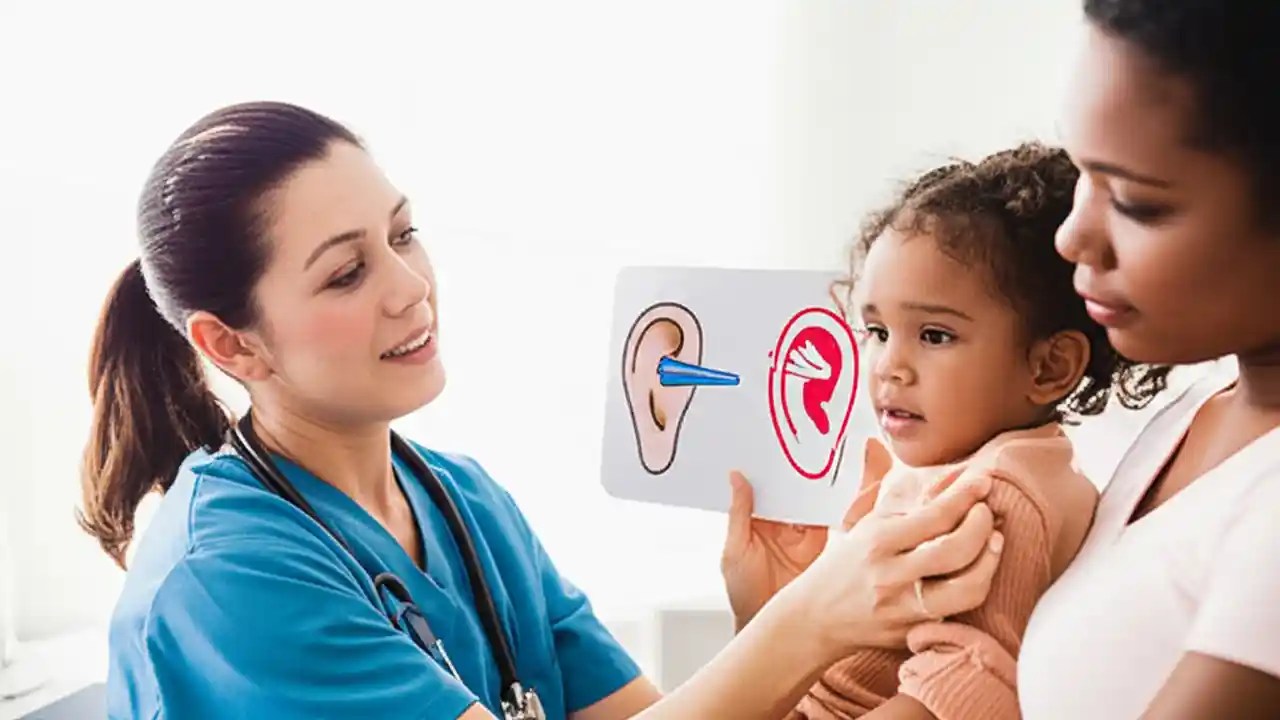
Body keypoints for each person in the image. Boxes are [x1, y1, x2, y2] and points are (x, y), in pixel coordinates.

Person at [81, 101, 1005, 720]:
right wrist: (808, 622)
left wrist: (765, 616)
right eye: (348, 272)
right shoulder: (227, 578)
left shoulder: (463, 502)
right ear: (231, 345)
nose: (411, 287)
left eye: (404, 234)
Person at [724, 2, 1280, 717]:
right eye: (1084, 176)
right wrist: (788, 628)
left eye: (1136, 201)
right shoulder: (1190, 417)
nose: (1072, 238)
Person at [729, 143, 1169, 720]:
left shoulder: (997, 494)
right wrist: (766, 611)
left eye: (934, 335)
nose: (890, 366)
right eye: (877, 331)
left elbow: (962, 687)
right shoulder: (969, 469)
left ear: (1048, 367)